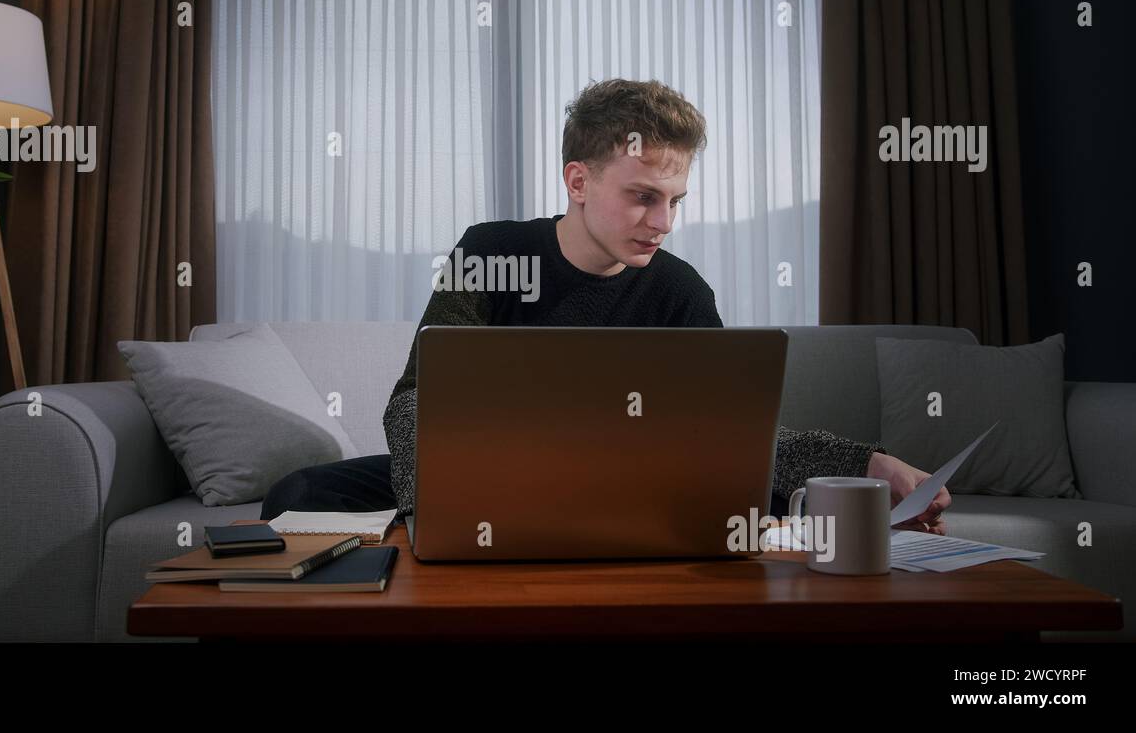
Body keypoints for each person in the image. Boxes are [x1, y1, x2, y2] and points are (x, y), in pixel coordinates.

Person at [262, 78, 950, 536]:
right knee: (297, 492)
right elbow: (414, 400)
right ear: (579, 180)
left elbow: (728, 437)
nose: (664, 221)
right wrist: (423, 513)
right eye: (645, 196)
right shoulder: (490, 251)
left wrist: (866, 463)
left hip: (625, 491)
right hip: (481, 481)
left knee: (759, 502)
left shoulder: (679, 291)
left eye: (675, 200)